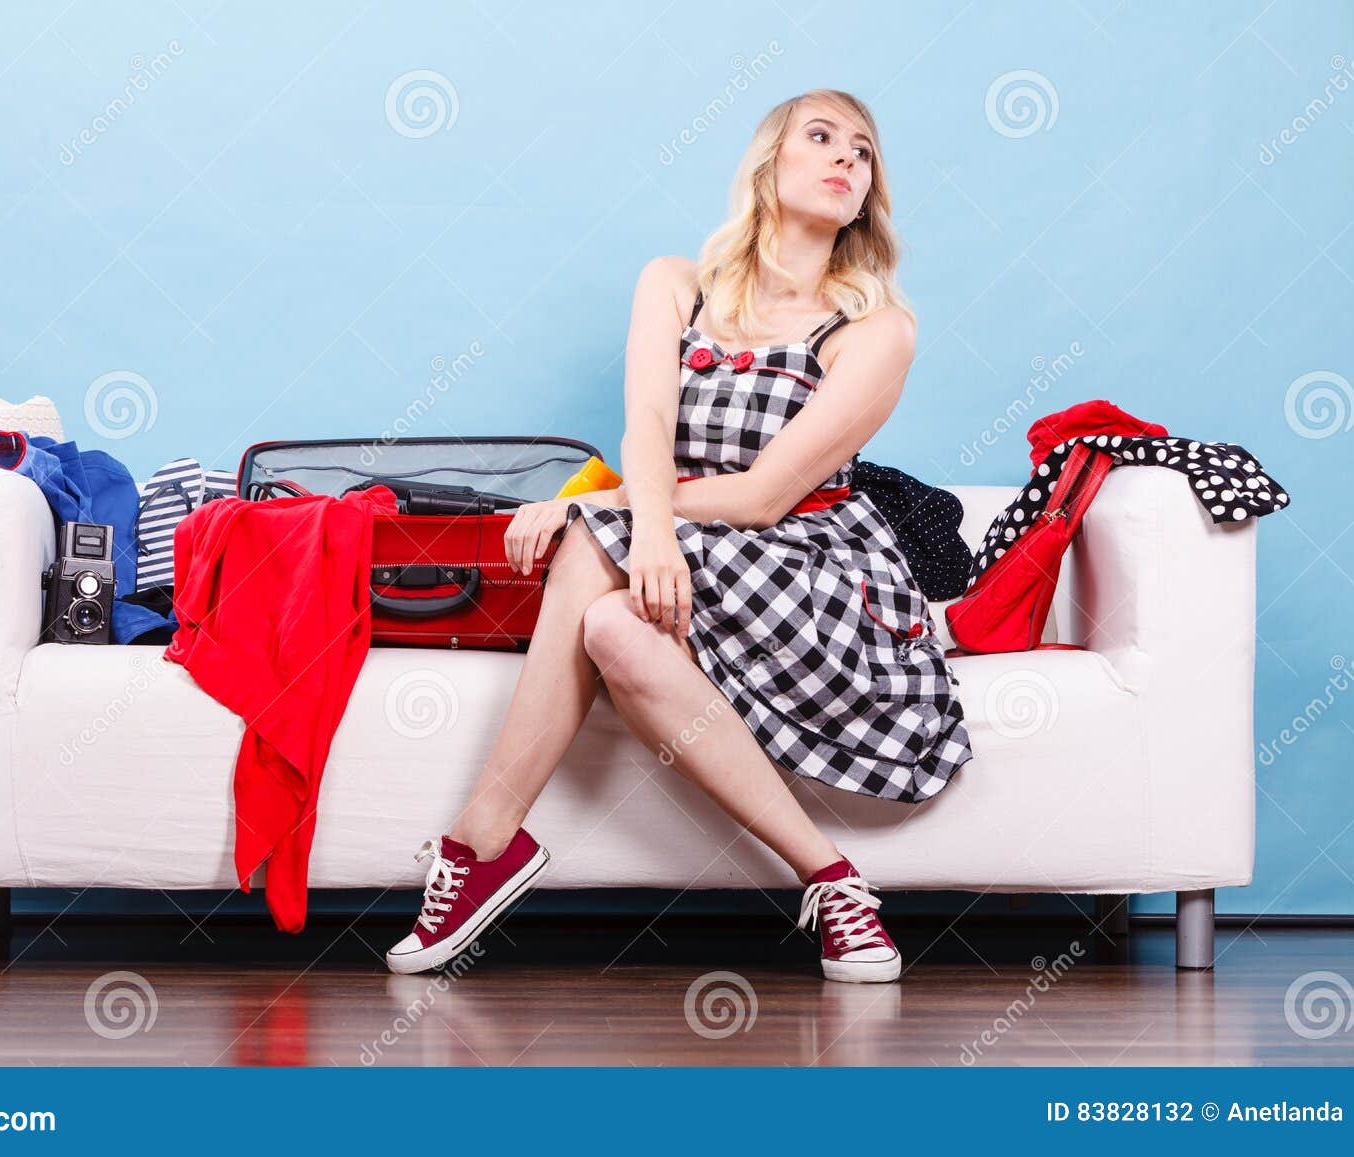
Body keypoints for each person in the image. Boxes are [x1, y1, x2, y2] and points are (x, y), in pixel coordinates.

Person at [385, 88, 974, 984]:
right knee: (613, 623)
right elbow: (648, 426)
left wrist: (608, 513)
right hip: (690, 548)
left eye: (863, 152)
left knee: (589, 540)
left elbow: (767, 496)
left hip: (809, 573)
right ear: (769, 161)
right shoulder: (674, 282)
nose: (846, 159)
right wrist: (636, 516)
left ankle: (480, 842)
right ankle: (835, 882)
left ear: (867, 195)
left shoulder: (877, 331)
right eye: (821, 137)